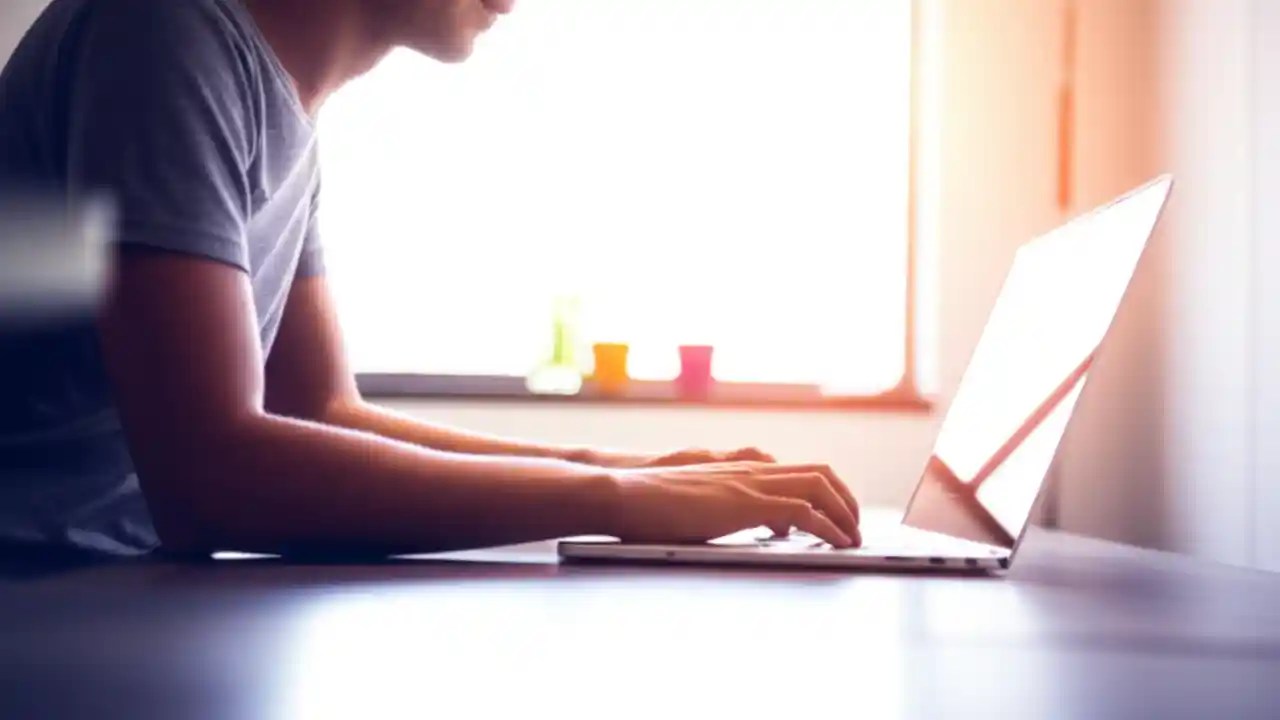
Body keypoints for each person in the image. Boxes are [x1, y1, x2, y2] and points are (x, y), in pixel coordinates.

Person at [0, 0, 861, 557]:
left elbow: (318, 410)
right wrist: (614, 498)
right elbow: (209, 476)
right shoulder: (164, 37)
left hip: (98, 587)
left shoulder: (275, 100)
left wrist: (630, 469)